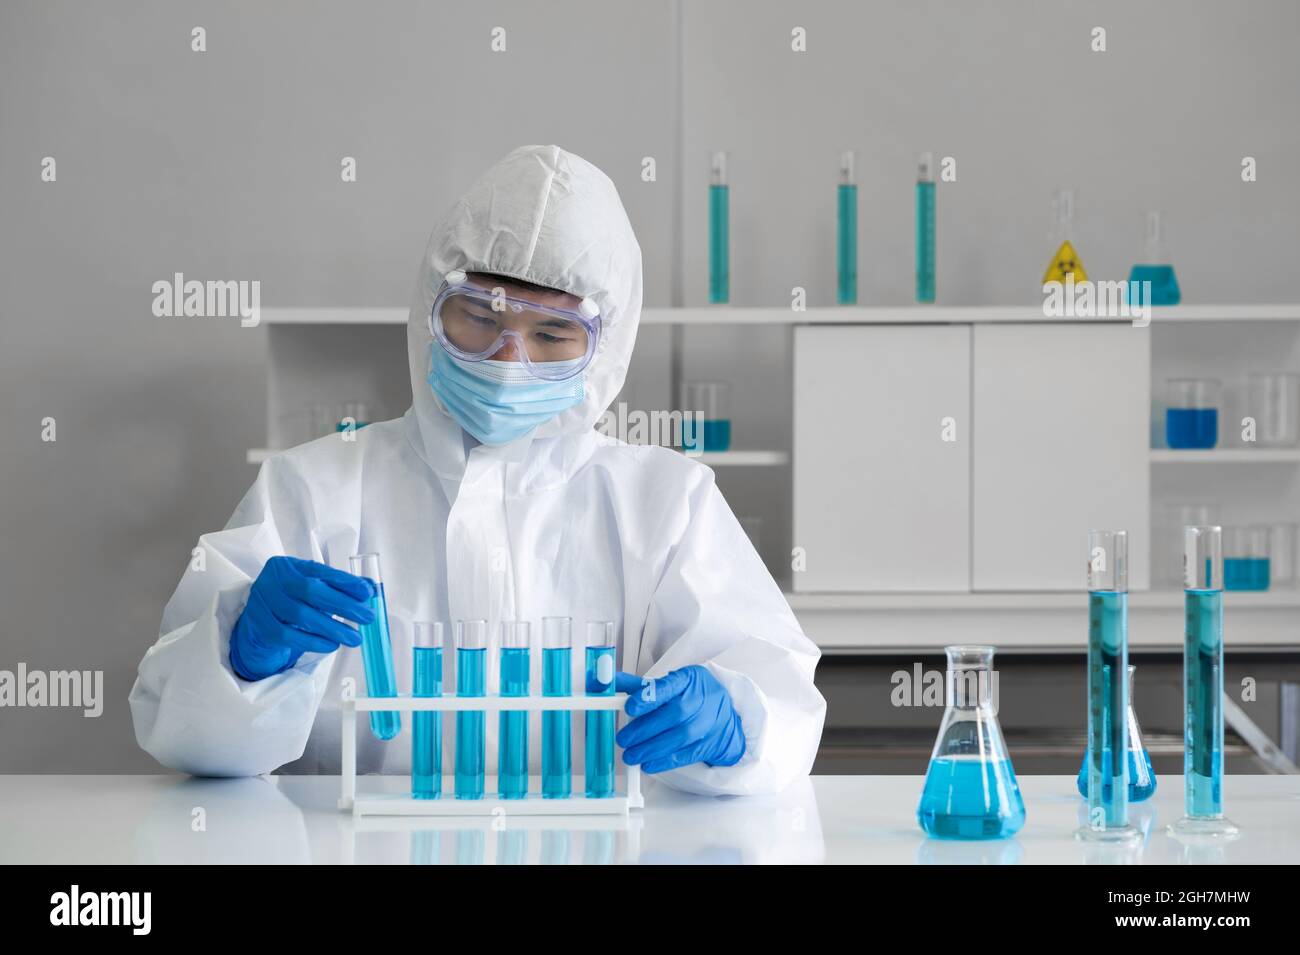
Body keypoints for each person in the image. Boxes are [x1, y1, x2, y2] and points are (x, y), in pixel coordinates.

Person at [129, 145, 825, 795]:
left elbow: (782, 699)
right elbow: (178, 731)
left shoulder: (668, 502)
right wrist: (240, 655)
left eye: (551, 334)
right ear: (430, 309)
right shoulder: (310, 490)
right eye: (480, 318)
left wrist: (737, 720)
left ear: (605, 349)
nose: (507, 359)